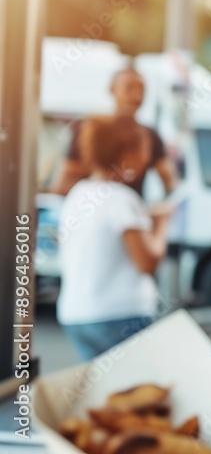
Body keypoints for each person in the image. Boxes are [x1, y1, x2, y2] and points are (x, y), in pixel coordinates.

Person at [57, 116, 175, 360]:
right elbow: (147, 262)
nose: (147, 159)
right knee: (136, 391)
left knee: (102, 392)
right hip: (121, 315)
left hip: (76, 314)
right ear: (126, 155)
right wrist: (162, 224)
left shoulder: (77, 194)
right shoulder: (122, 198)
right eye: (143, 150)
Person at [50, 67, 177, 197]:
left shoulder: (150, 136)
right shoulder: (90, 131)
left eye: (141, 90)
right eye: (129, 88)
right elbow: (62, 186)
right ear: (112, 89)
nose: (136, 96)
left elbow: (172, 185)